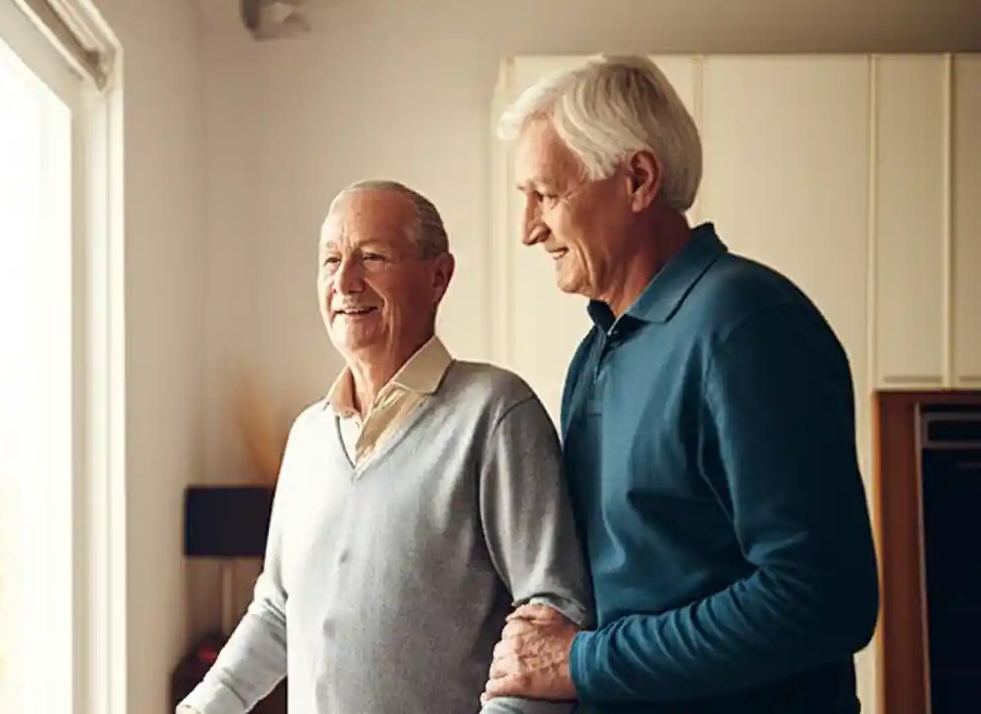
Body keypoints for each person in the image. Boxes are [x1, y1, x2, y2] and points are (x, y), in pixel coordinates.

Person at [481, 54, 880, 714]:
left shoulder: (747, 325)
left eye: (546, 195)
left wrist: (583, 660)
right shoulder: (597, 351)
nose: (529, 230)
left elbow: (820, 597)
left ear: (637, 179)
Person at [178, 180, 593, 714]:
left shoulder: (495, 413)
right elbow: (279, 610)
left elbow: (552, 611)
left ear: (438, 276)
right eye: (331, 260)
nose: (345, 282)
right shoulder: (307, 437)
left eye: (372, 257)